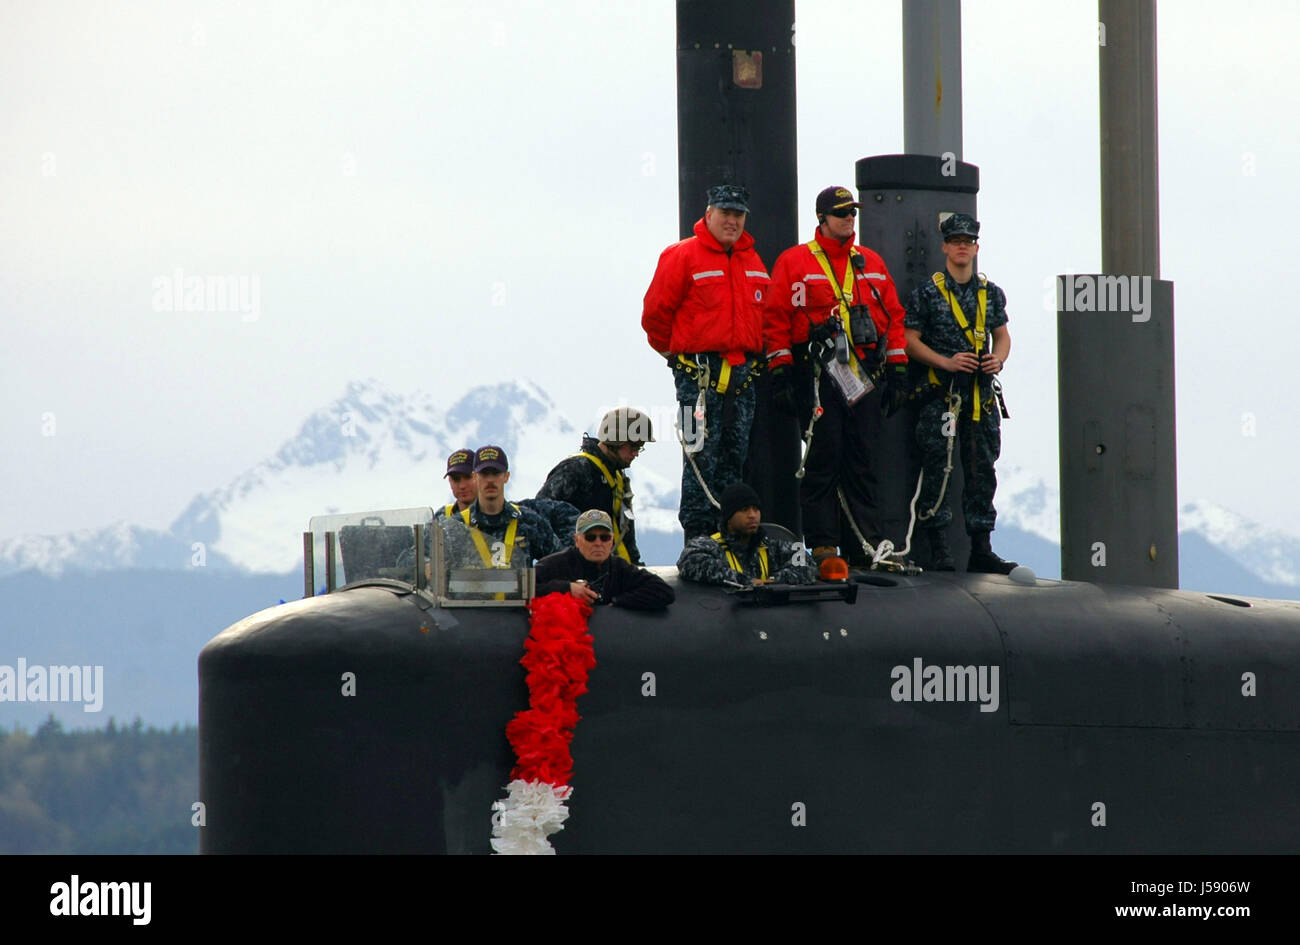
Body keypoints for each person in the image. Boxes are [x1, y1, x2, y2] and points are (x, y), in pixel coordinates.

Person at [765, 185, 910, 568]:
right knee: (824, 456)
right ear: (822, 218)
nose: (849, 219)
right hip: (817, 374)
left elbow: (894, 318)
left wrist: (897, 368)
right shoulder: (795, 262)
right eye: (841, 213)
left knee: (862, 458)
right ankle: (824, 544)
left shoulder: (871, 262)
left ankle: (866, 542)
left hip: (863, 374)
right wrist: (780, 370)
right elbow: (776, 319)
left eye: (853, 213)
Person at [642, 183, 771, 541]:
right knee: (698, 456)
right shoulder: (682, 255)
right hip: (696, 378)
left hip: (742, 378)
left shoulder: (754, 262)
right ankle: (697, 538)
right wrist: (679, 360)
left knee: (735, 457)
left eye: (738, 214)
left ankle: (732, 537)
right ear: (709, 213)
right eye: (725, 213)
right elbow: (655, 316)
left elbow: (767, 319)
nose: (732, 221)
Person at [904, 212, 1018, 574]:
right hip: (943, 398)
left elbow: (1001, 335)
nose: (962, 247)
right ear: (945, 247)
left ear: (976, 247)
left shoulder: (990, 293)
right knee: (938, 472)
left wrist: (997, 361)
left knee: (982, 472)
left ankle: (981, 549)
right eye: (956, 242)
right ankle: (939, 550)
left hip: (979, 400)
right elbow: (909, 341)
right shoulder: (928, 293)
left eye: (968, 242)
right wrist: (945, 362)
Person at [439, 445, 566, 570]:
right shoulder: (454, 527)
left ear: (506, 476)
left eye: (495, 473)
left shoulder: (529, 522)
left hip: (522, 591)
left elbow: (561, 564)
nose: (490, 480)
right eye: (484, 474)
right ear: (475, 477)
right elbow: (427, 566)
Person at [677, 482, 818, 587]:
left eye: (756, 509)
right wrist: (745, 581)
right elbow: (691, 562)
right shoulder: (708, 545)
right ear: (729, 518)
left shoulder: (772, 546)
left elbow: (806, 564)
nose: (752, 515)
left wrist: (773, 582)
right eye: (744, 510)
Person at [535, 509, 674, 610]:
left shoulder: (619, 567)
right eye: (590, 537)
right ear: (577, 540)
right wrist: (567, 588)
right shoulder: (556, 564)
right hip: (561, 638)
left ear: (612, 540)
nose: (598, 543)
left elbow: (664, 591)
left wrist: (618, 601)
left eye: (604, 537)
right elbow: (516, 588)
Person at [434, 447, 477, 520]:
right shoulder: (441, 516)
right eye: (456, 479)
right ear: (449, 481)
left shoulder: (496, 516)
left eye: (468, 477)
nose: (462, 486)